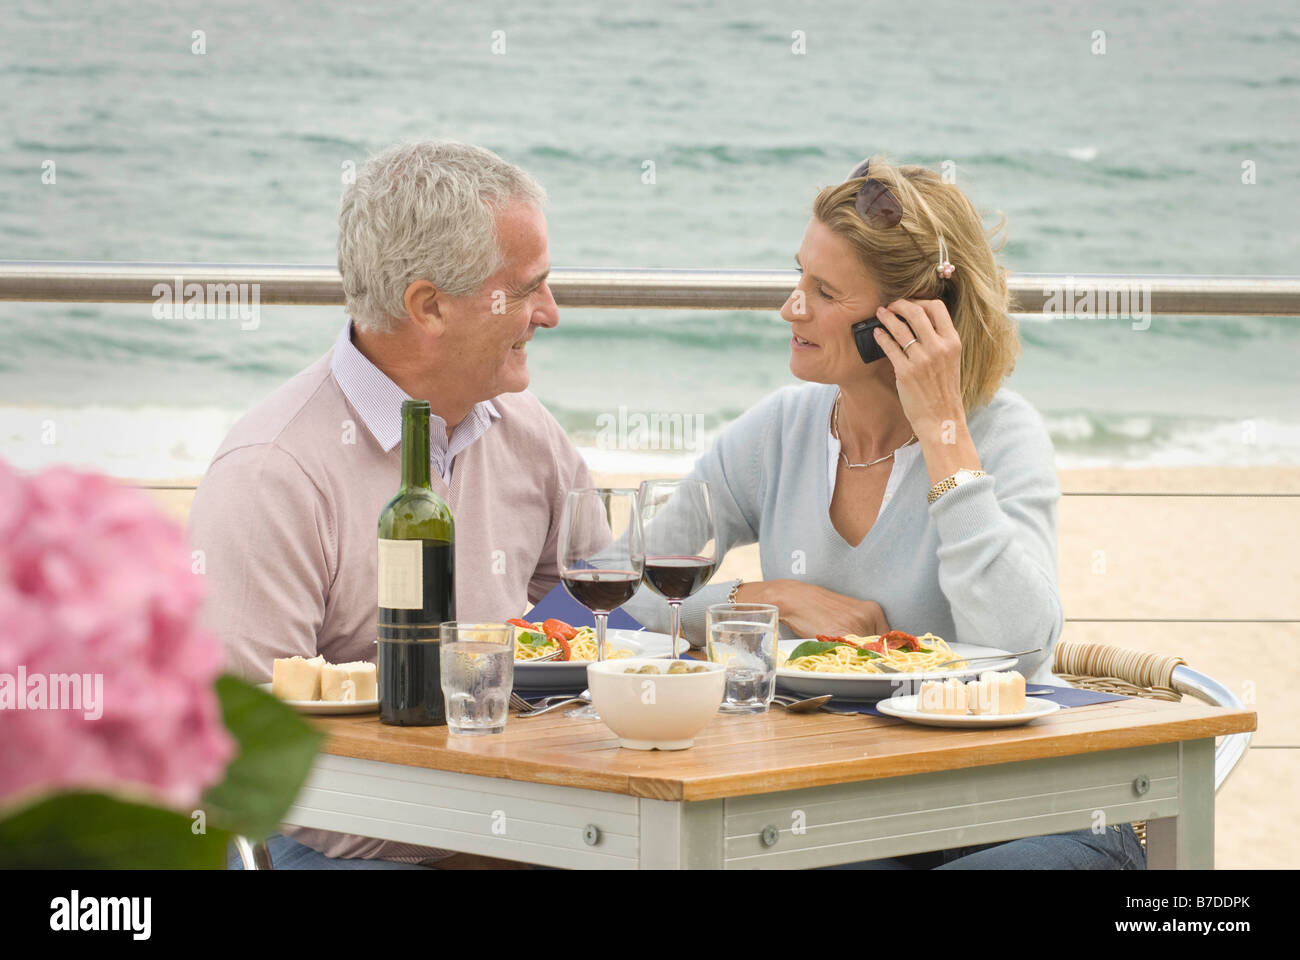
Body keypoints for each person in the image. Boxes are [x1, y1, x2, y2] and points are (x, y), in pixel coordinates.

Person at [624, 155, 1144, 869]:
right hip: (853, 810)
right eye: (798, 278)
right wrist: (761, 599)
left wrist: (943, 435)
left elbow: (1021, 648)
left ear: (905, 321)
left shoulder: (1000, 435)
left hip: (1022, 812)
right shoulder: (778, 433)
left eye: (824, 292)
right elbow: (632, 592)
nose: (790, 308)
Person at [188, 140, 590, 869]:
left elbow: (596, 601)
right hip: (359, 851)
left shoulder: (526, 430)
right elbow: (243, 753)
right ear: (430, 306)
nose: (551, 314)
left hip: (523, 815)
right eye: (529, 288)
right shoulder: (271, 473)